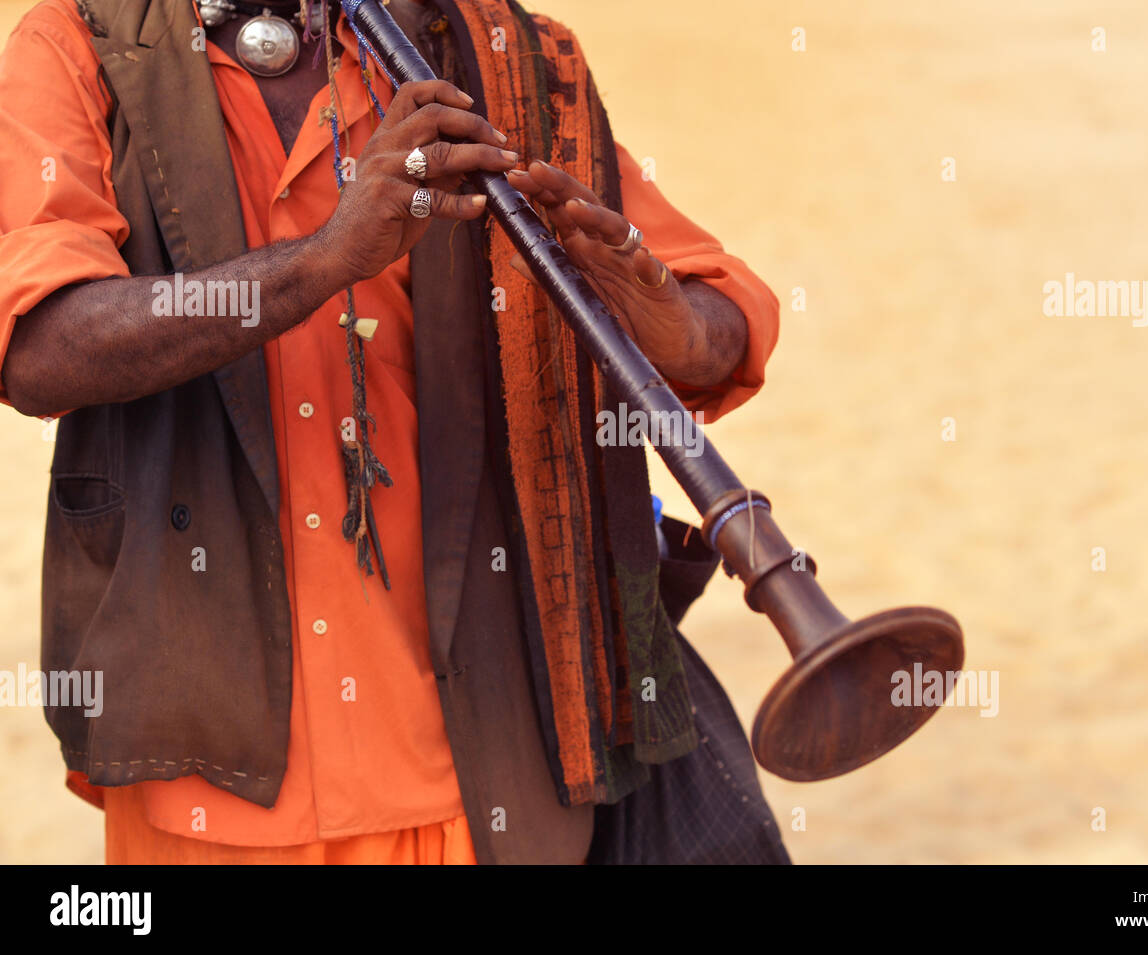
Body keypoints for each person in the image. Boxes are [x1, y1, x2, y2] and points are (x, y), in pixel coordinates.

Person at [0, 0, 786, 863]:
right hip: (207, 781)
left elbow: (718, 316)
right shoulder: (79, 44)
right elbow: (39, 344)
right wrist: (325, 258)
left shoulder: (504, 59)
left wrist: (667, 321)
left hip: (487, 770)